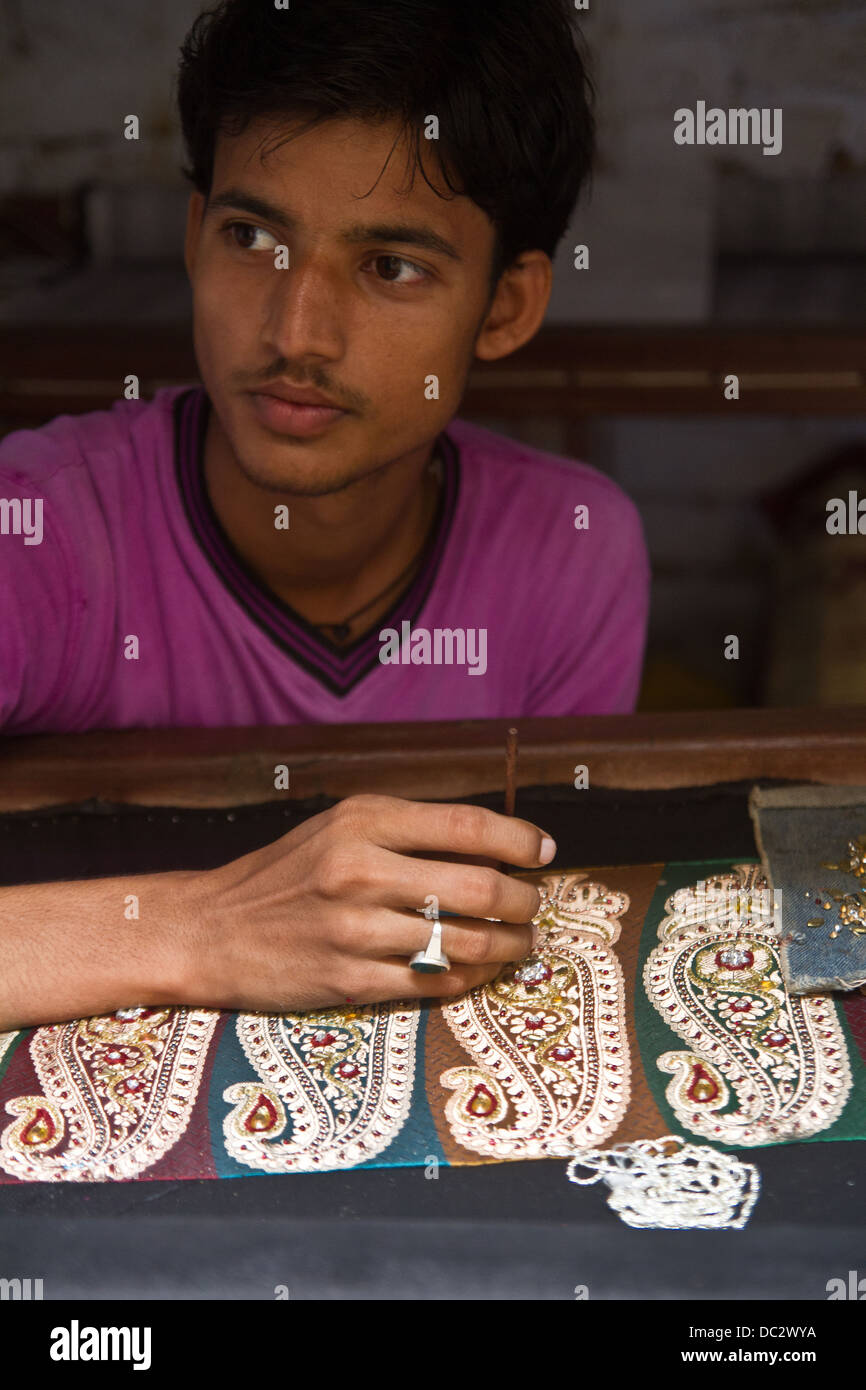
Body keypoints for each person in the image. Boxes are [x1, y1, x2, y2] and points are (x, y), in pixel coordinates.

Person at [0, 0, 649, 1030]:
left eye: (390, 266)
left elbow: (541, 940)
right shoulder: (41, 537)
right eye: (252, 236)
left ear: (506, 306)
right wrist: (202, 931)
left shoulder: (569, 550)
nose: (295, 332)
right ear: (193, 238)